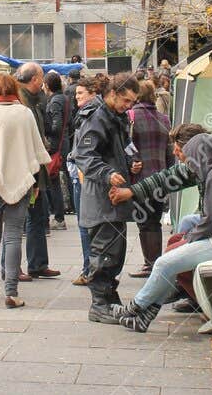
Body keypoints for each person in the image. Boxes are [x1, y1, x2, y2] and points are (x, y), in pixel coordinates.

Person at [103, 133, 212, 333]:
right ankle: (144, 317)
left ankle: (134, 308)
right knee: (171, 261)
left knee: (164, 263)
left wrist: (190, 239)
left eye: (190, 159)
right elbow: (211, 217)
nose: (188, 165)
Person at [0, 73, 51, 308]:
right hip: (22, 180)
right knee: (13, 235)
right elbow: (36, 151)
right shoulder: (25, 113)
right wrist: (37, 183)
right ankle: (11, 291)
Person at [73, 72, 141, 321]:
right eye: (126, 100)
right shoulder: (97, 117)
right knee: (104, 250)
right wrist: (107, 173)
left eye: (132, 102)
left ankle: (109, 298)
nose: (128, 106)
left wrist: (132, 160)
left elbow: (124, 145)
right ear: (112, 94)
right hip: (101, 196)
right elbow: (84, 155)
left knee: (115, 249)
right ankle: (100, 303)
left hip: (113, 195)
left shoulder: (115, 116)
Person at [15, 63, 61, 279]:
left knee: (38, 216)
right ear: (34, 79)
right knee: (17, 221)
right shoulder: (21, 102)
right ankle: (13, 267)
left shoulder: (34, 100)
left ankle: (38, 263)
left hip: (36, 167)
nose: (43, 82)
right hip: (25, 169)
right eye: (41, 77)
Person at [128, 81, 173, 275]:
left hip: (140, 176)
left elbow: (127, 145)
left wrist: (132, 162)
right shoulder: (164, 119)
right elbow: (170, 152)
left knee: (144, 222)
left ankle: (150, 264)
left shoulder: (131, 116)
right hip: (161, 176)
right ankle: (155, 263)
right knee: (154, 220)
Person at [67, 75, 101, 285]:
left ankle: (90, 270)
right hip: (84, 173)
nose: (76, 96)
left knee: (85, 225)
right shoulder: (91, 112)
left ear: (93, 93)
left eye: (80, 93)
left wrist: (80, 170)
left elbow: (86, 150)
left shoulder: (90, 114)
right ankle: (92, 268)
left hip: (84, 175)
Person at [42, 70, 72, 226]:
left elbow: (56, 126)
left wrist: (44, 129)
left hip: (55, 146)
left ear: (47, 85)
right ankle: (59, 216)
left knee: (52, 182)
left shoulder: (54, 101)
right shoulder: (64, 98)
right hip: (63, 143)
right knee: (55, 181)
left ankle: (58, 217)